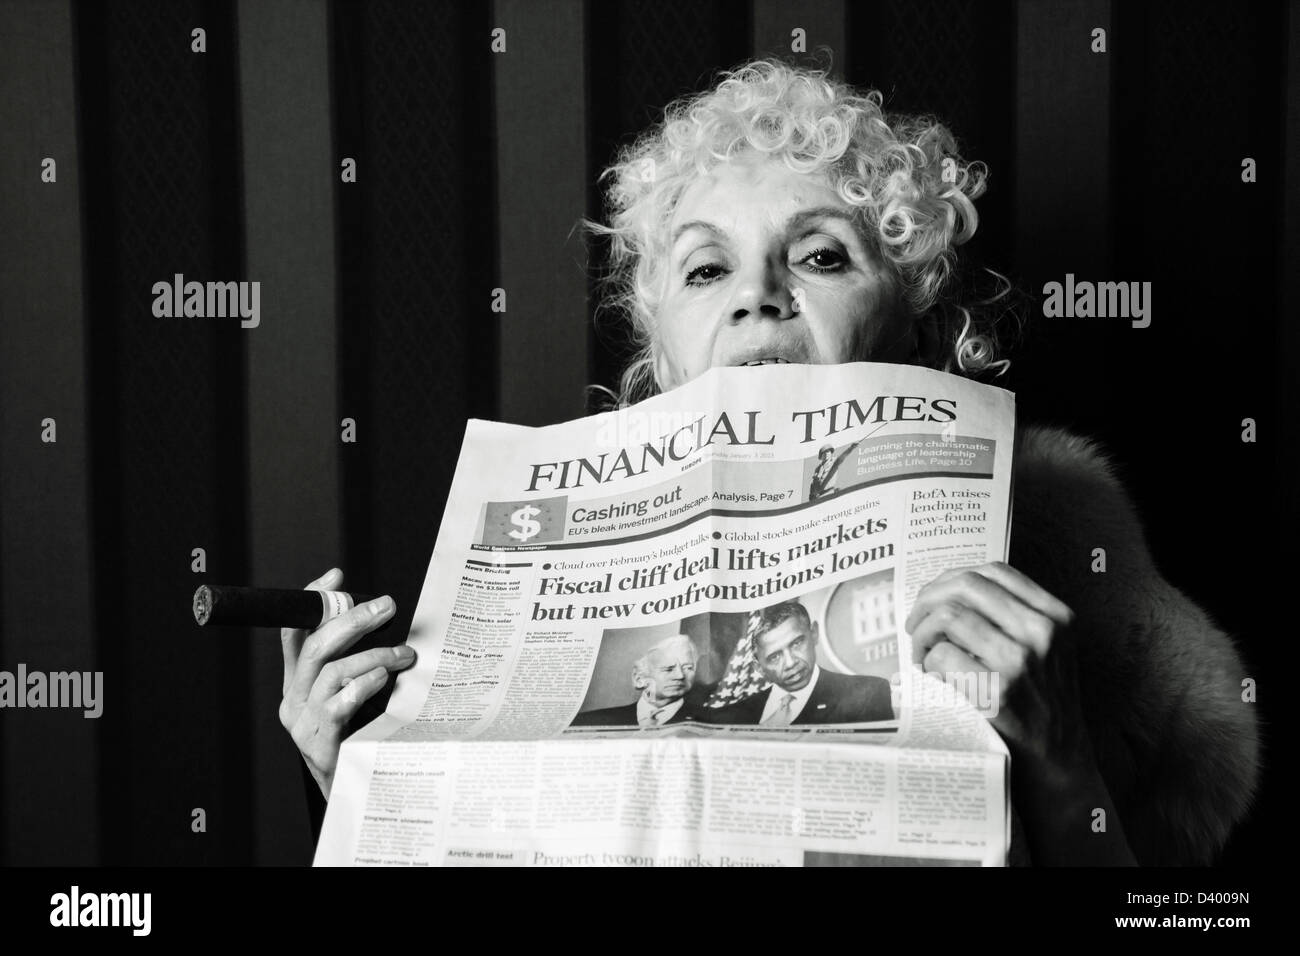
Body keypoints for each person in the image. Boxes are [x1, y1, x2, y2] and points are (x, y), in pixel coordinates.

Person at [280, 60, 1258, 866]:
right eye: (707, 269)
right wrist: (356, 786)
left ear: (915, 328)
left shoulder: (1070, 557)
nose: (758, 296)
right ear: (659, 358)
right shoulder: (521, 575)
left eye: (822, 256)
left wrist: (1063, 763)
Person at [702, 601, 893, 725]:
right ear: (758, 668)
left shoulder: (869, 694)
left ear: (814, 633)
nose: (791, 662)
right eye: (774, 657)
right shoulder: (729, 717)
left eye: (796, 643)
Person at [570, 634, 702, 726]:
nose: (680, 675)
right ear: (639, 678)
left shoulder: (714, 719)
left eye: (688, 668)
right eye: (668, 669)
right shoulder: (588, 721)